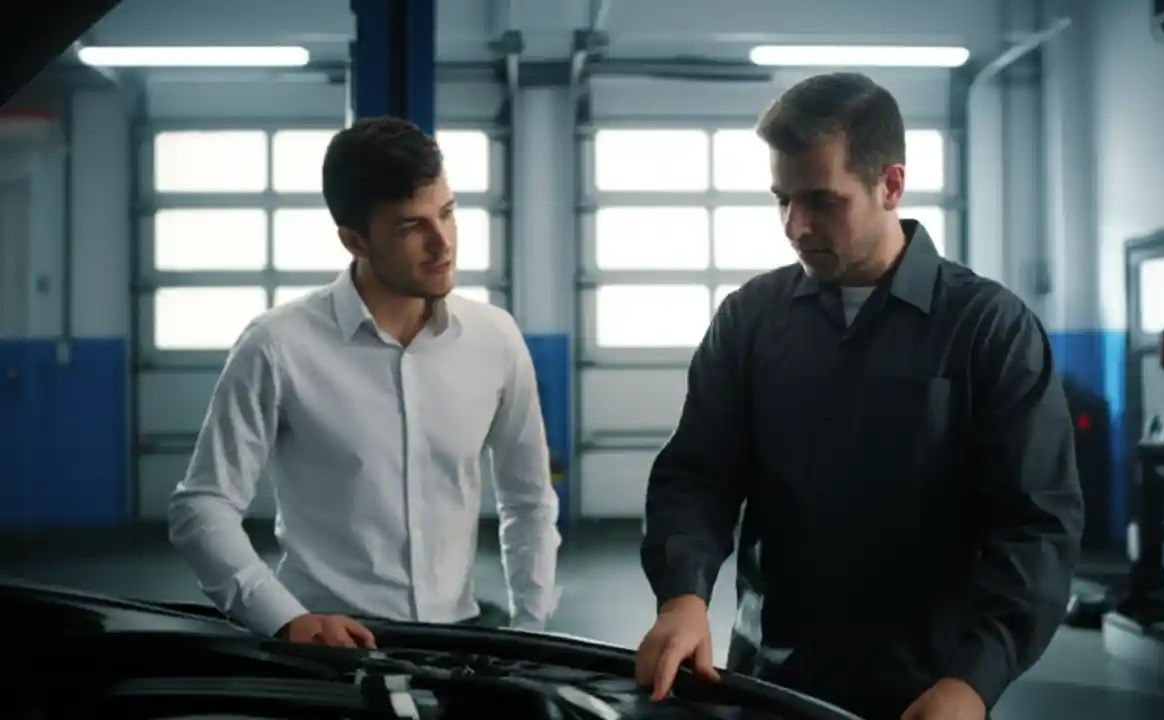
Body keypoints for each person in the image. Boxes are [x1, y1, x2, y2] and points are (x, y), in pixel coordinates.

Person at [634, 72, 1084, 720]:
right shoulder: (750, 321)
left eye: (821, 200)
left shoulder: (988, 330)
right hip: (769, 682)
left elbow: (1036, 525)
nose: (795, 225)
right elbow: (696, 473)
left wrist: (974, 682)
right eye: (782, 199)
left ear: (890, 185)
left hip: (929, 693)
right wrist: (683, 597)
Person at [169, 117, 561, 648]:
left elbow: (529, 500)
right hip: (326, 650)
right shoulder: (277, 346)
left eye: (447, 213)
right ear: (355, 239)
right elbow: (202, 505)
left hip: (458, 647)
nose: (441, 242)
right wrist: (286, 619)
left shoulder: (495, 339)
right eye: (410, 227)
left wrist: (530, 631)